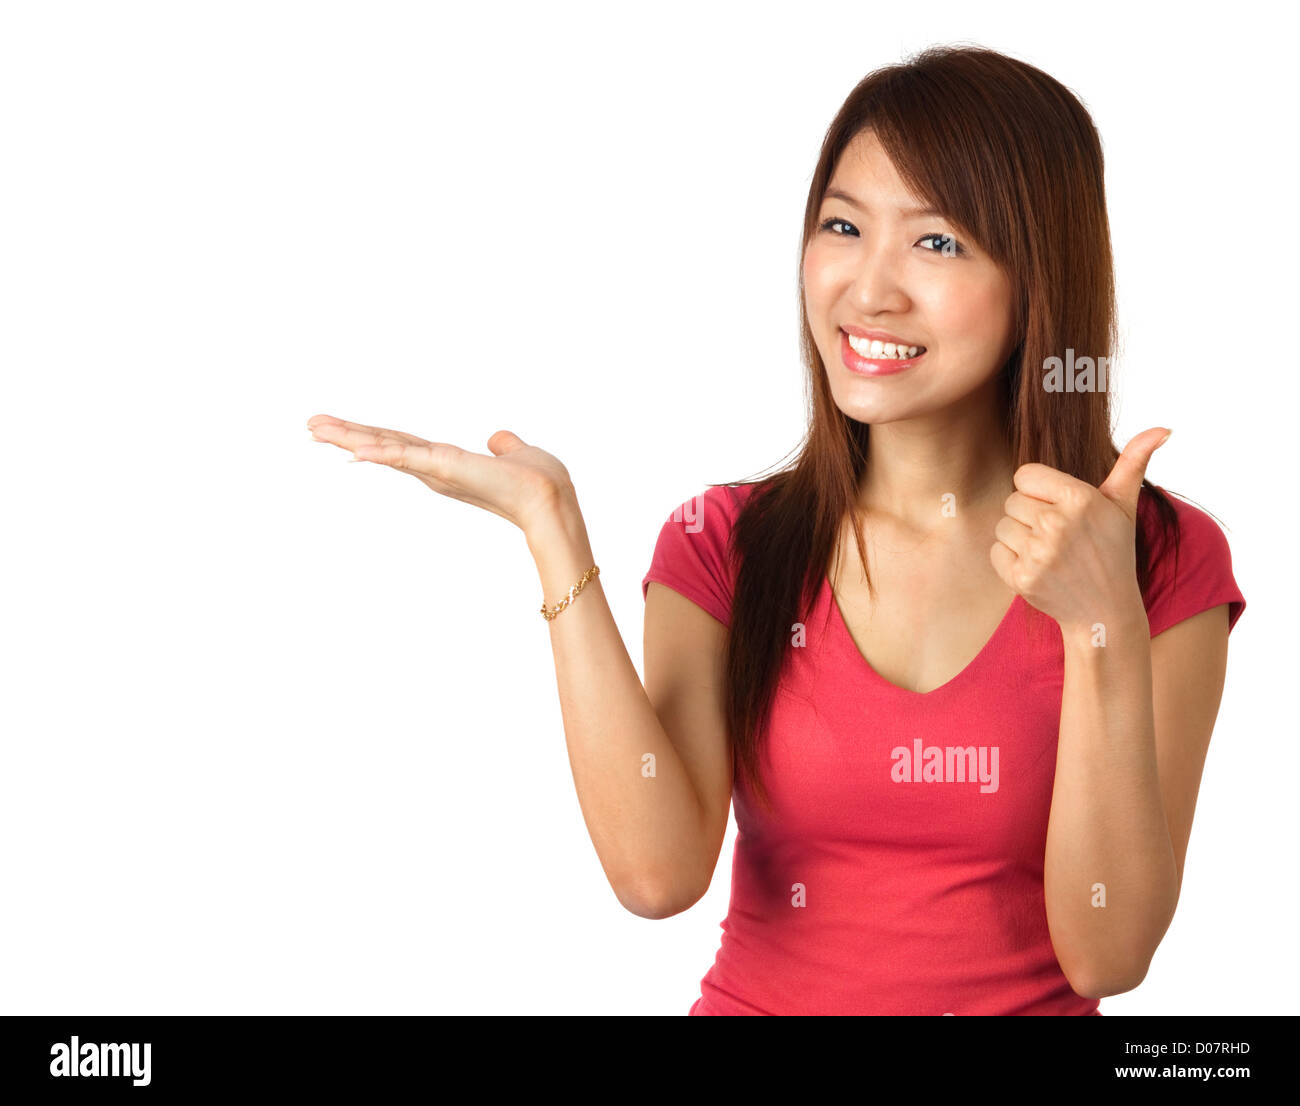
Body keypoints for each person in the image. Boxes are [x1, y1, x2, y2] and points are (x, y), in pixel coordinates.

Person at [305, 44, 1246, 1016]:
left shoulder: (1158, 559)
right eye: (842, 225)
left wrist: (1100, 624)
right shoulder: (725, 542)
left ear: (1037, 277)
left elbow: (1107, 952)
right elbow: (655, 873)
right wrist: (553, 532)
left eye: (935, 243)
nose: (868, 287)